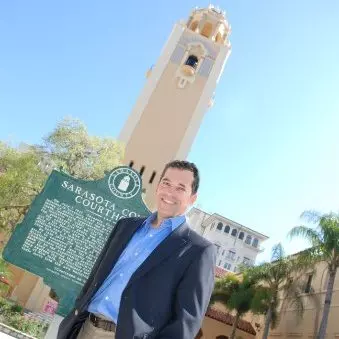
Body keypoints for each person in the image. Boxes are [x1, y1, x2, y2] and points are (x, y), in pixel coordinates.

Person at [57, 160, 216, 339]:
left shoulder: (199, 251)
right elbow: (96, 276)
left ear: (192, 198)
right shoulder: (125, 226)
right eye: (166, 183)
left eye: (180, 188)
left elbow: (186, 322)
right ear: (158, 187)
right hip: (84, 328)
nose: (170, 192)